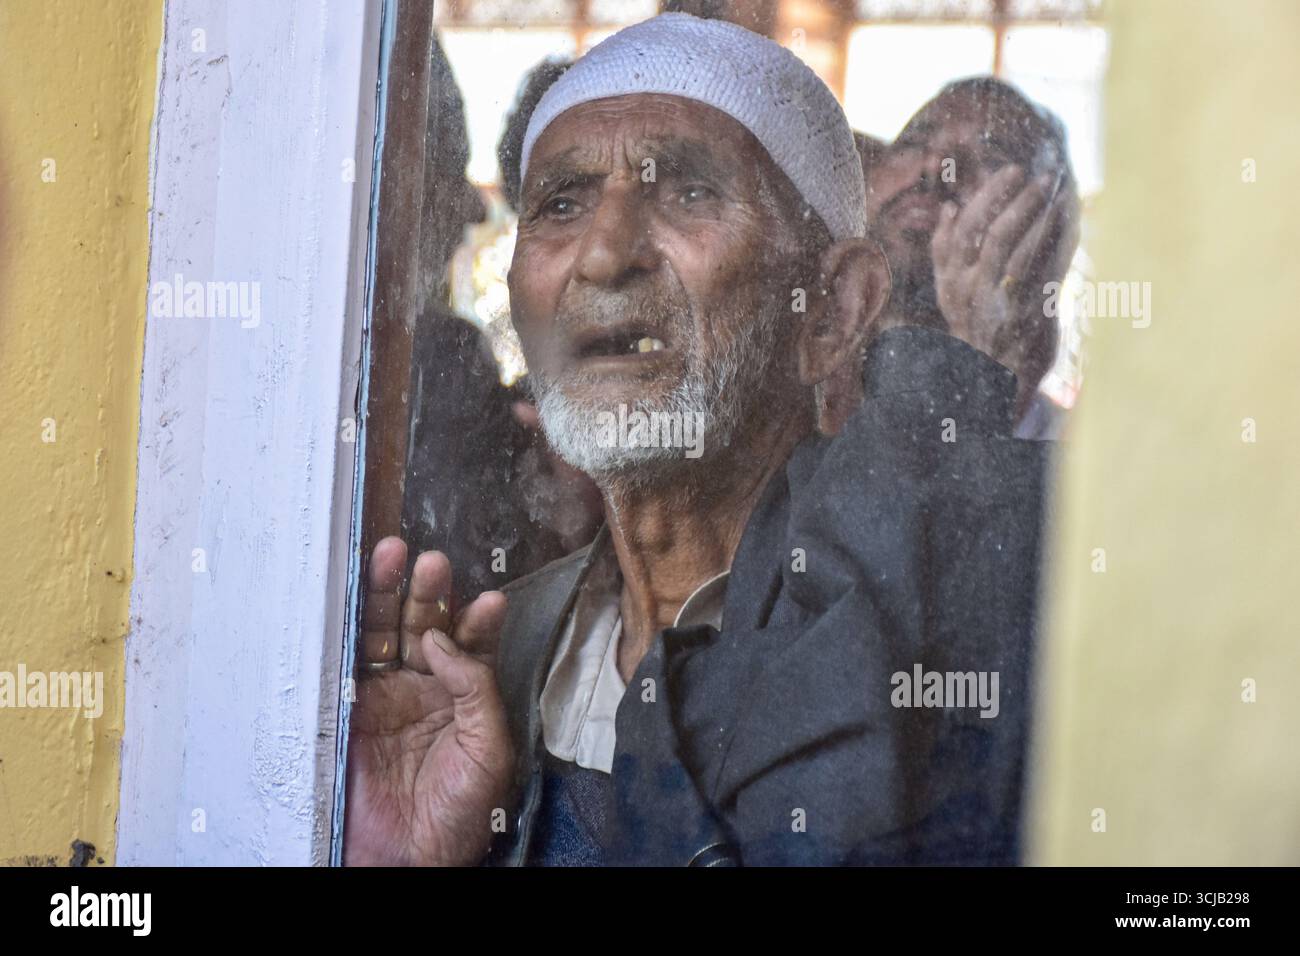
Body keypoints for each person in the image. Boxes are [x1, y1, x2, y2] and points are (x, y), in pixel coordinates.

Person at [345, 13, 1050, 867]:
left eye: (688, 193)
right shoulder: (497, 661)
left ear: (832, 310)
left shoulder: (967, 626)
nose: (604, 255)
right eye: (560, 204)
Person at [864, 77, 1081, 429]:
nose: (936, 166)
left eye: (991, 157)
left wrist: (997, 370)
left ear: (1046, 233)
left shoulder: (1071, 464)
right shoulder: (794, 413)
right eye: (913, 143)